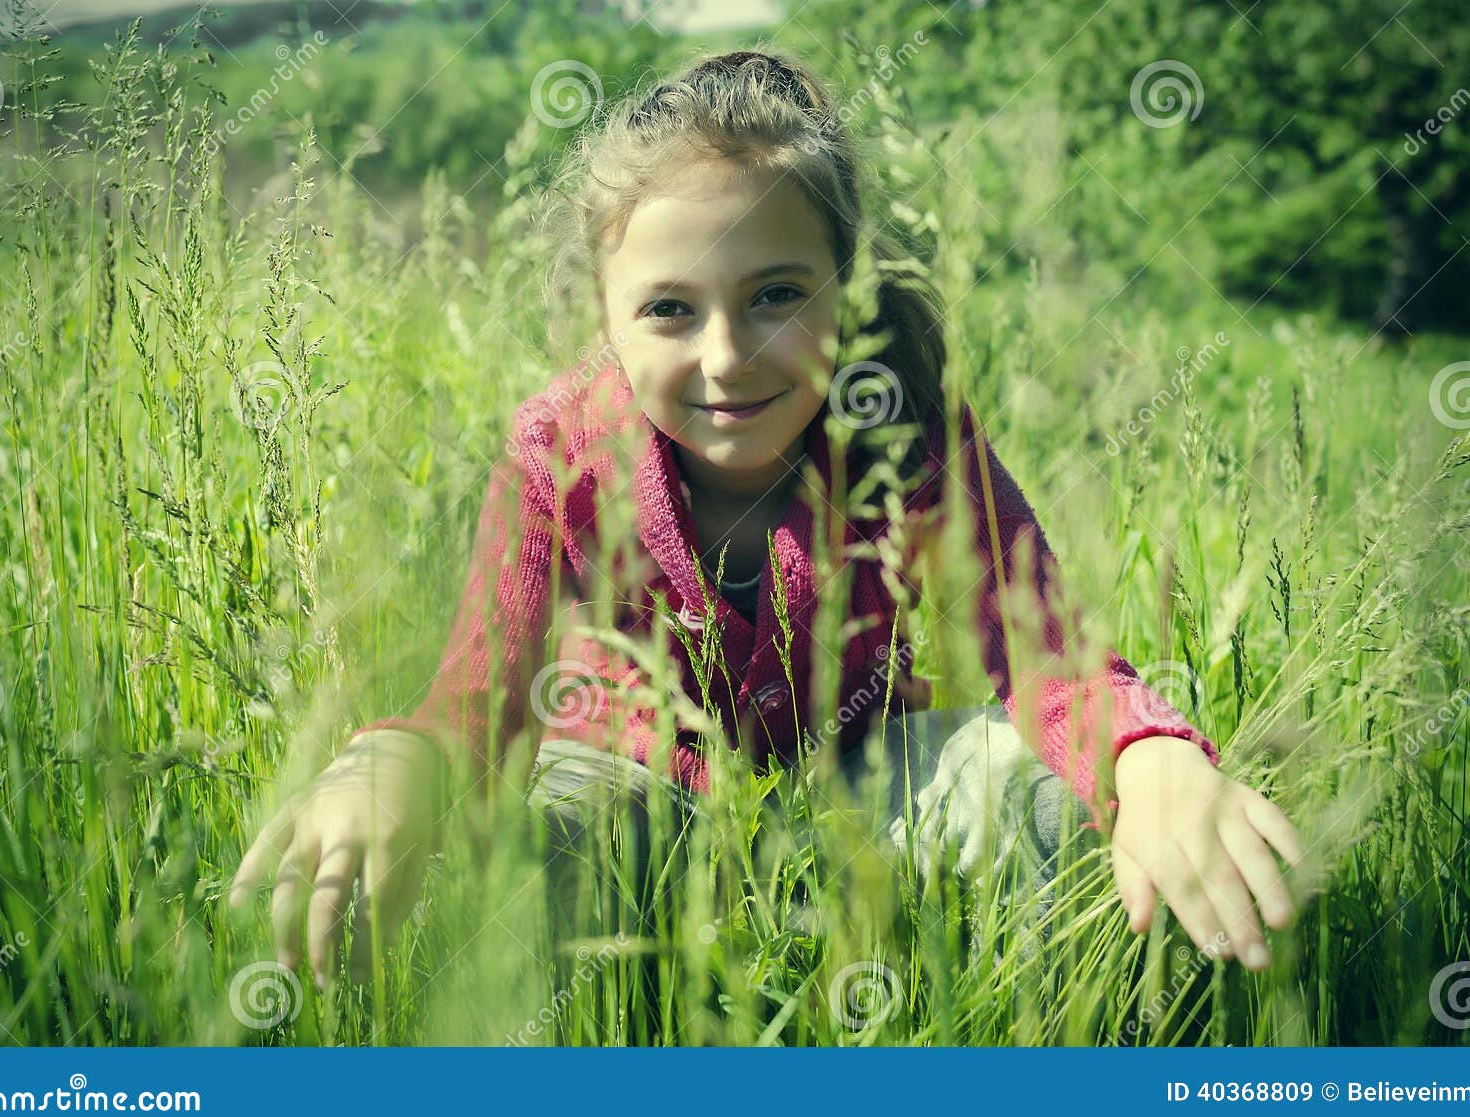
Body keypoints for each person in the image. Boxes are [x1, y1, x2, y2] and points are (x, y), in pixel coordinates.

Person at [230, 48, 1304, 994]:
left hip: (863, 773)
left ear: (846, 287)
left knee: (1045, 802)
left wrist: (1147, 759)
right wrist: (395, 764)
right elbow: (477, 701)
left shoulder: (905, 422)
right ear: (602, 313)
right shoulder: (556, 450)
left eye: (777, 294)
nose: (726, 356)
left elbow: (1041, 655)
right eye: (669, 308)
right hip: (637, 777)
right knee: (548, 854)